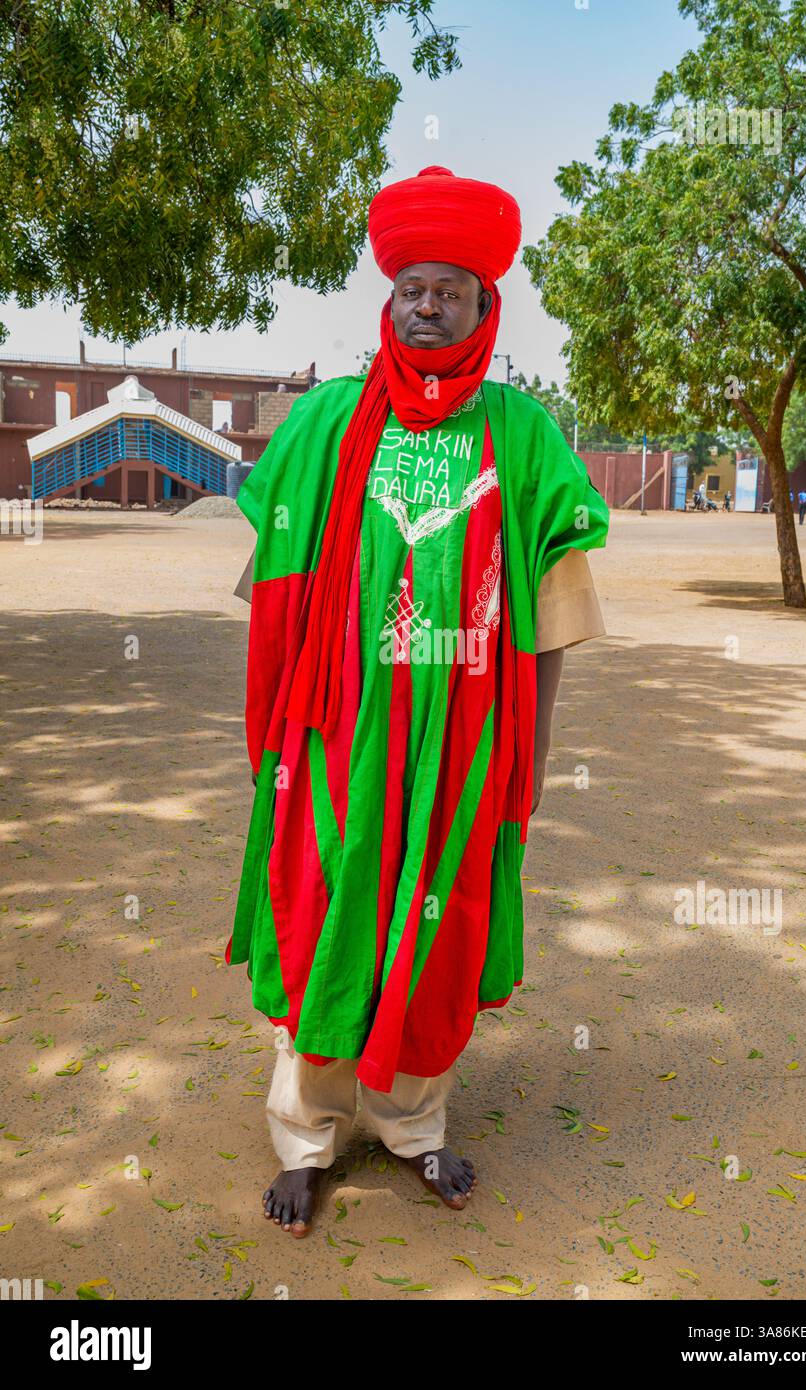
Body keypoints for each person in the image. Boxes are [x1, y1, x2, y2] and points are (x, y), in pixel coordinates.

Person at [227, 167, 610, 1237]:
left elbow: (553, 607)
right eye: (412, 288)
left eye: (450, 288)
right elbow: (270, 588)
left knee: (431, 930)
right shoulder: (323, 424)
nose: (428, 304)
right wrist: (274, 732)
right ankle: (305, 1139)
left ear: (487, 307)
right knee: (325, 917)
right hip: (336, 739)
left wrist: (526, 759)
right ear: (386, 300)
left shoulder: (522, 436)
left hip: (461, 747)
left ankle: (412, 1128)